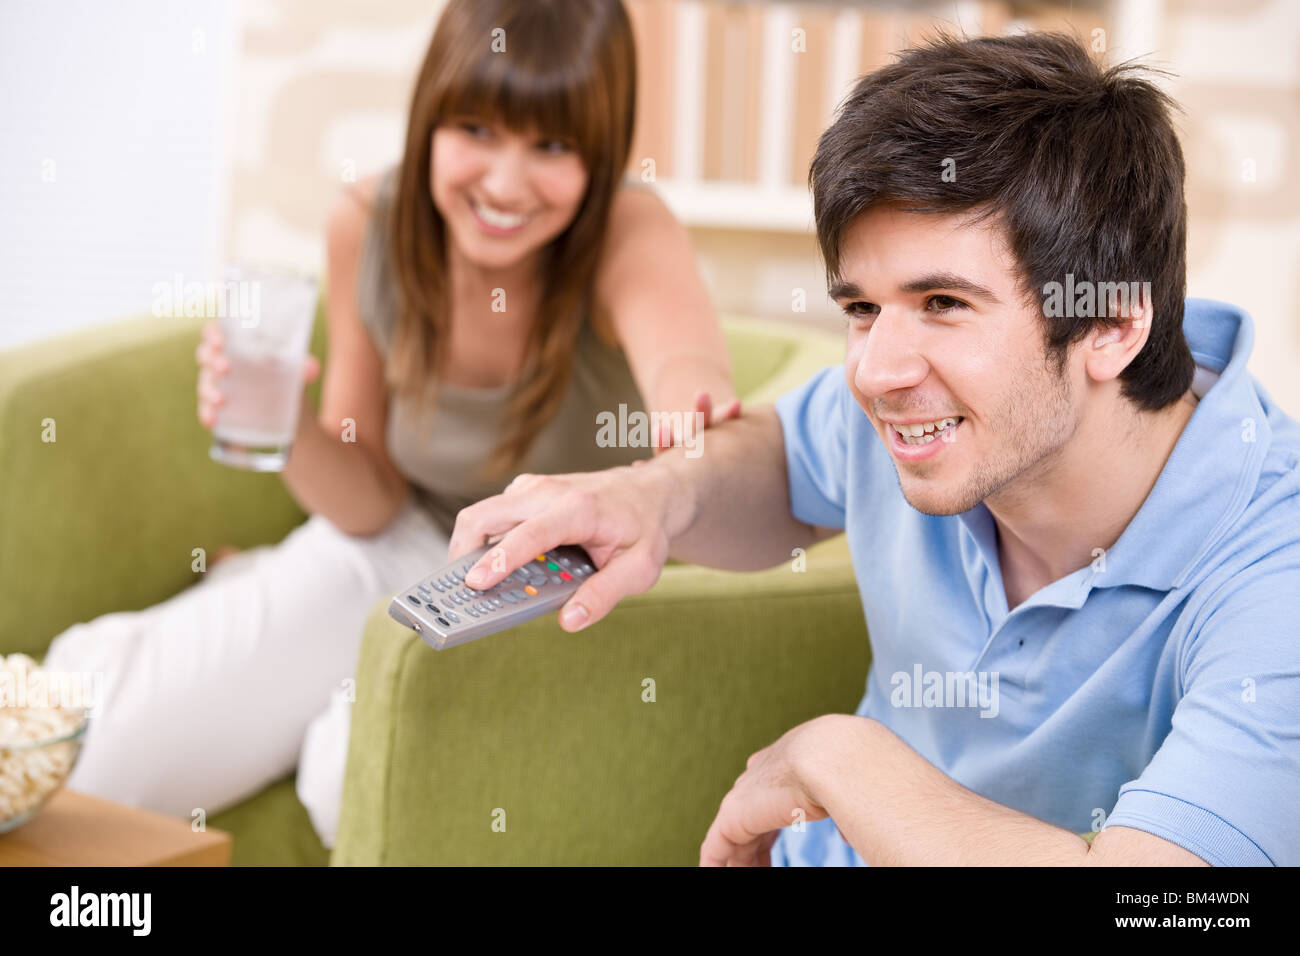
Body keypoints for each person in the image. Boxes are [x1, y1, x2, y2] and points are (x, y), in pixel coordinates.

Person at [446, 31, 1300, 866]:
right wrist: (650, 498)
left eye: (943, 303)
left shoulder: (1274, 576)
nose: (876, 372)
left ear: (1112, 325)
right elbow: (782, 461)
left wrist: (841, 760)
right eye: (862, 308)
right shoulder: (923, 416)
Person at [41, 0, 738, 850]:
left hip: (553, 582)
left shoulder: (627, 229)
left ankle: (291, 656)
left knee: (356, 777)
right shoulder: (368, 220)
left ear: (603, 150)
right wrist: (289, 427)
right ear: (429, 116)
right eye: (477, 129)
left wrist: (688, 415)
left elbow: (686, 371)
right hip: (401, 545)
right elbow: (366, 500)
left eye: (553, 145)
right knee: (100, 748)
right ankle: (261, 620)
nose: (507, 184)